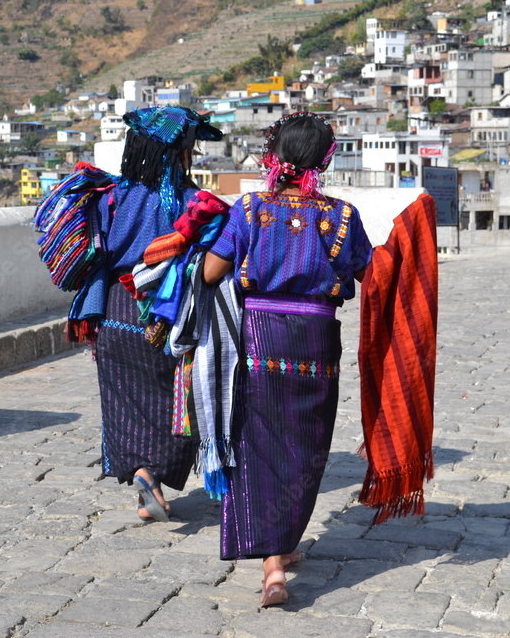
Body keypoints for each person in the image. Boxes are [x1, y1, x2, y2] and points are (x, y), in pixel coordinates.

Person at [202, 112, 373, 607]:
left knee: (258, 442)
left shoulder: (250, 209)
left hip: (261, 339)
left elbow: (213, 271)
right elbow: (371, 273)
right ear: (325, 158)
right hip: (317, 340)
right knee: (307, 444)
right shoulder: (342, 215)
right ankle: (285, 537)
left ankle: (272, 564)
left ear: (273, 156)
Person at [95, 106, 223, 522]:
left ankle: (143, 478)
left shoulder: (111, 198)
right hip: (167, 317)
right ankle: (154, 480)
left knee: (124, 403)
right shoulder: (192, 203)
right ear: (178, 153)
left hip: (115, 312)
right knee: (174, 404)